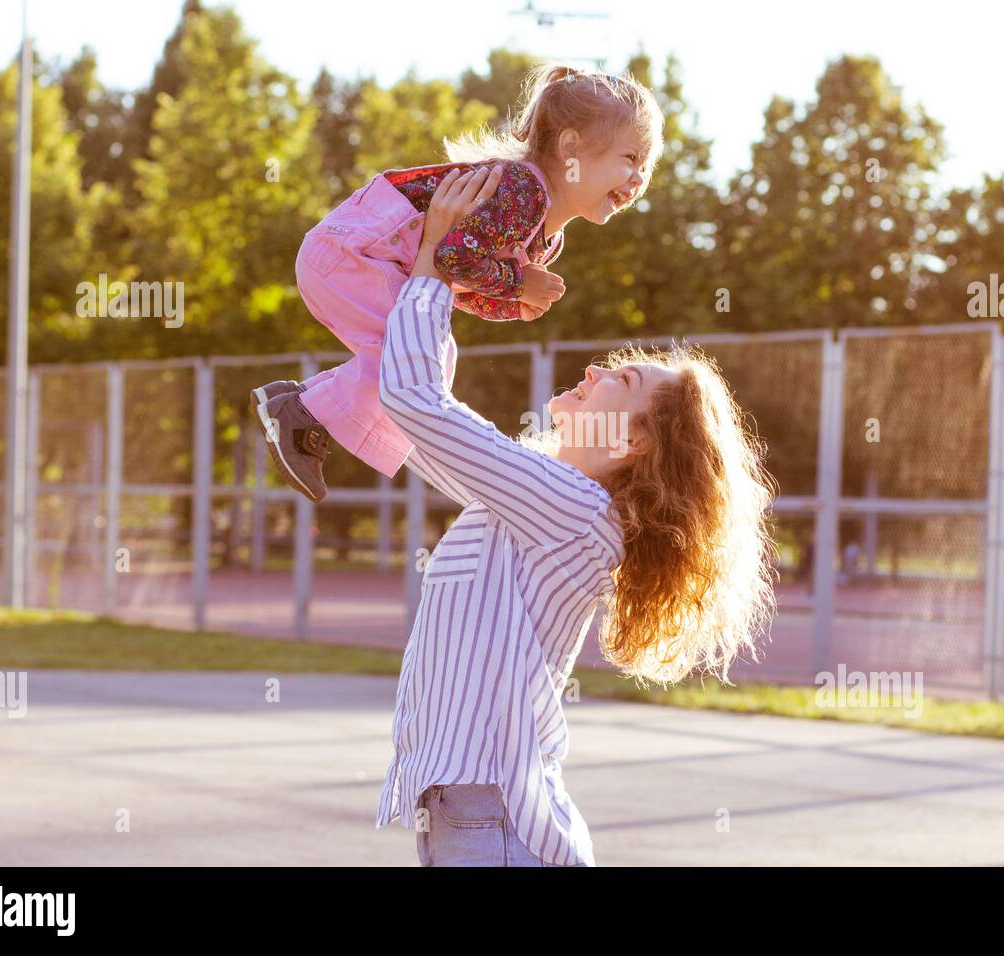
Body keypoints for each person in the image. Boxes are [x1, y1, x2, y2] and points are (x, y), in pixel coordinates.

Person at [367, 165, 780, 866]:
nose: (593, 373)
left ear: (631, 442)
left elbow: (417, 403)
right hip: (472, 817)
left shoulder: (573, 510)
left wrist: (434, 264)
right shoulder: (539, 500)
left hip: (490, 823)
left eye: (620, 381)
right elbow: (418, 424)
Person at [250, 63, 665, 502]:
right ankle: (300, 412)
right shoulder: (523, 194)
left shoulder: (545, 232)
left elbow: (461, 284)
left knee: (425, 353)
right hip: (353, 256)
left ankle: (300, 405)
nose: (639, 177)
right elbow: (451, 259)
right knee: (416, 356)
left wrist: (511, 301)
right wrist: (517, 283)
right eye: (630, 158)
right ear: (571, 148)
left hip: (356, 258)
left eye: (647, 164)